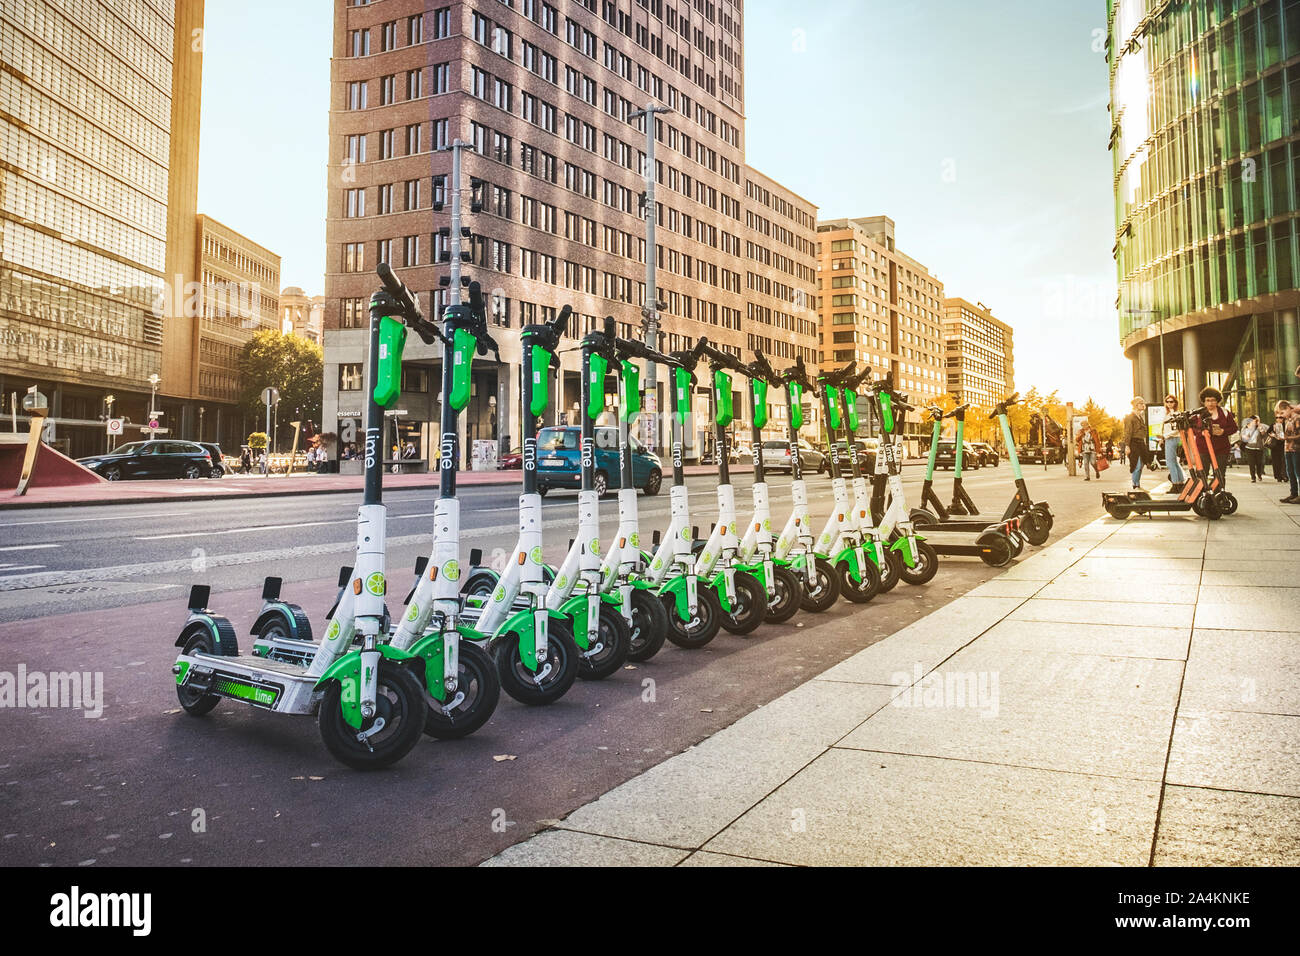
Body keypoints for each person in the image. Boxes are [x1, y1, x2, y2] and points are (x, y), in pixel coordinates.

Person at [1190, 386, 1238, 487]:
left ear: (1217, 401)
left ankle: (1219, 496)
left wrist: (1223, 431)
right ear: (1204, 401)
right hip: (1204, 449)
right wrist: (1201, 433)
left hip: (1221, 449)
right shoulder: (1198, 414)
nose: (1210, 403)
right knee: (1202, 474)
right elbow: (1192, 429)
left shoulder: (1225, 413)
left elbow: (1234, 428)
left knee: (1219, 474)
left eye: (1213, 400)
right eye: (1207, 400)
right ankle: (1201, 495)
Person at [1160, 395, 1186, 492]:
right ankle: (1180, 483)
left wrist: (1165, 436)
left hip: (1173, 438)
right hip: (1170, 438)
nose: (1169, 403)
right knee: (1174, 462)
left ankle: (1175, 484)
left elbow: (1177, 430)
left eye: (1171, 402)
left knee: (1170, 462)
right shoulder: (1167, 414)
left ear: (1175, 403)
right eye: (1167, 402)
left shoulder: (1176, 414)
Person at [1122, 397, 1149, 489]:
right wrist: (1127, 446)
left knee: (1141, 465)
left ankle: (1137, 483)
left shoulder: (1140, 417)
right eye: (1141, 403)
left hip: (1141, 442)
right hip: (1133, 442)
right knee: (1136, 465)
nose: (1143, 405)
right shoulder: (1130, 417)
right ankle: (1135, 485)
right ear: (1136, 405)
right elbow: (1127, 432)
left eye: (1143, 403)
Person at [1280, 400, 1300, 503]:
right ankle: (1293, 494)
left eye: (1282, 413)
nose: (1281, 416)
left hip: (1296, 449)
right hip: (1287, 449)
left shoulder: (1297, 418)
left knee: (1298, 472)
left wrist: (1289, 437)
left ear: (1288, 408)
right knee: (1290, 472)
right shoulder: (1288, 420)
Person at [1240, 415, 1267, 483]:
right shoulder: (1245, 428)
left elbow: (1264, 435)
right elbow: (1242, 437)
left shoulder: (1259, 427)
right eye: (1254, 420)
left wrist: (1260, 428)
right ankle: (1253, 477)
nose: (1255, 422)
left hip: (1258, 448)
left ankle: (1259, 474)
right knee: (1251, 463)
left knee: (1259, 463)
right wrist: (1246, 436)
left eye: (1256, 421)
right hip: (1249, 448)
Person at [1269, 404, 1289, 481]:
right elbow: (1268, 433)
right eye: (1277, 417)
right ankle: (1278, 476)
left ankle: (1284, 475)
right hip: (1275, 446)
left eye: (1280, 417)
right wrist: (1272, 434)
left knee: (1283, 461)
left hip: (1283, 445)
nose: (1278, 419)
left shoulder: (1286, 425)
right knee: (1276, 461)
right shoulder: (1273, 425)